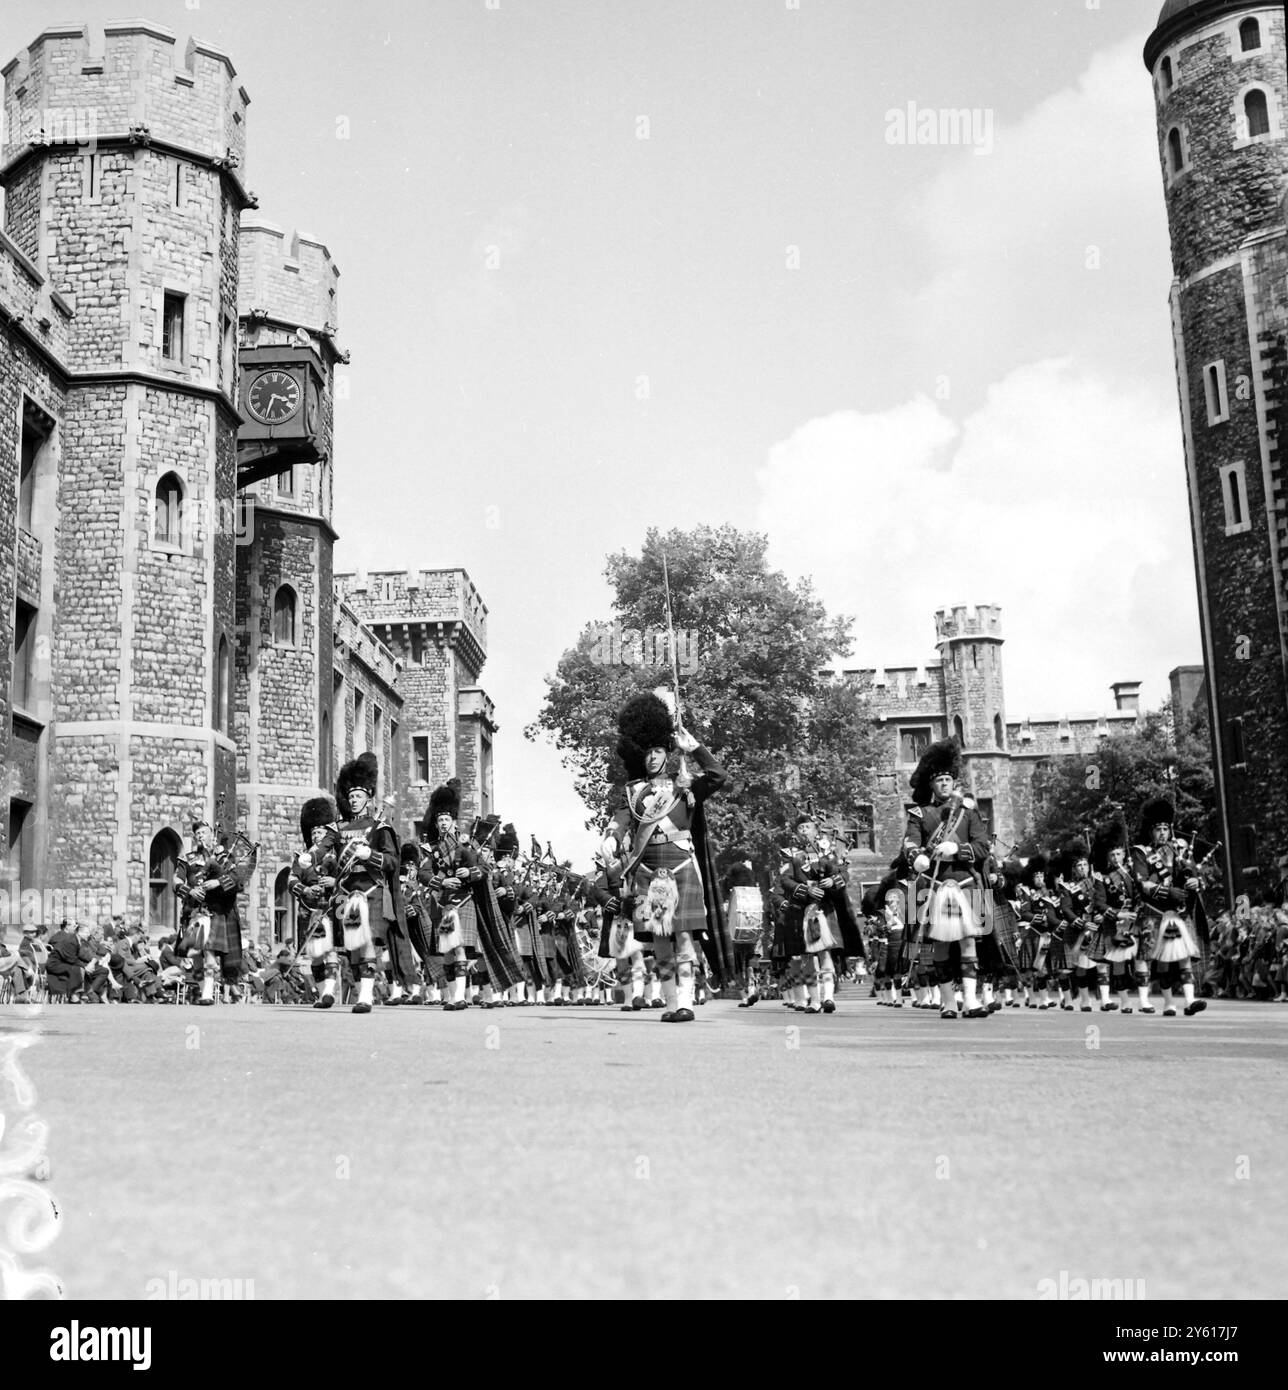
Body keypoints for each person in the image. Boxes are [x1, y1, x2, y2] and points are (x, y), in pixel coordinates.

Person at [601, 690, 729, 1023]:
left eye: (660, 750)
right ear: (640, 755)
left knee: (683, 935)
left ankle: (685, 1003)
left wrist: (695, 748)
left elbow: (718, 776)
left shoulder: (683, 785)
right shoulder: (633, 792)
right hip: (647, 870)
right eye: (649, 752)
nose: (654, 757)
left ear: (667, 752)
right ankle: (671, 1004)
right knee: (659, 940)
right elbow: (620, 821)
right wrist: (610, 838)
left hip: (681, 865)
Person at [902, 738, 991, 1020]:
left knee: (968, 941)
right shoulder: (919, 814)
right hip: (936, 885)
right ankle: (949, 1002)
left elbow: (982, 847)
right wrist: (918, 857)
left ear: (954, 782)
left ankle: (971, 1001)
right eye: (939, 780)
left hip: (964, 881)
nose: (943, 784)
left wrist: (958, 849)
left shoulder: (968, 812)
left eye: (947, 779)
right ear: (931, 784)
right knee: (939, 944)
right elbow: (910, 843)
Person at [333, 753, 408, 1014]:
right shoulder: (340, 829)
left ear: (368, 798)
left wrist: (371, 855)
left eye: (358, 797)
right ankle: (360, 992)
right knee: (351, 946)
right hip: (346, 892)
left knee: (367, 943)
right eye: (350, 797)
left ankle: (365, 995)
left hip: (372, 890)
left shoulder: (380, 828)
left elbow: (391, 862)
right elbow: (330, 855)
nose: (353, 801)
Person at [1131, 797, 1206, 1017]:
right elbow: (1142, 883)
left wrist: (1195, 882)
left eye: (1165, 828)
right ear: (1150, 831)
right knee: (1148, 956)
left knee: (1181, 956)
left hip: (1174, 913)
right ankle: (1149, 1001)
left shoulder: (1176, 851)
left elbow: (1190, 873)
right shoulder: (1141, 852)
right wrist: (1166, 891)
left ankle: (1190, 1000)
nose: (1162, 833)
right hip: (1152, 911)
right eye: (1158, 829)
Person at [173, 817, 251, 1005]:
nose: (200, 836)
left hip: (216, 911)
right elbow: (176, 880)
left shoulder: (224, 858)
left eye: (203, 832)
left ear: (212, 835)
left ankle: (207, 994)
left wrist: (217, 882)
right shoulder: (188, 859)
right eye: (197, 833)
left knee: (209, 953)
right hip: (194, 911)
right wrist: (190, 890)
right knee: (194, 956)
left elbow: (237, 880)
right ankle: (203, 990)